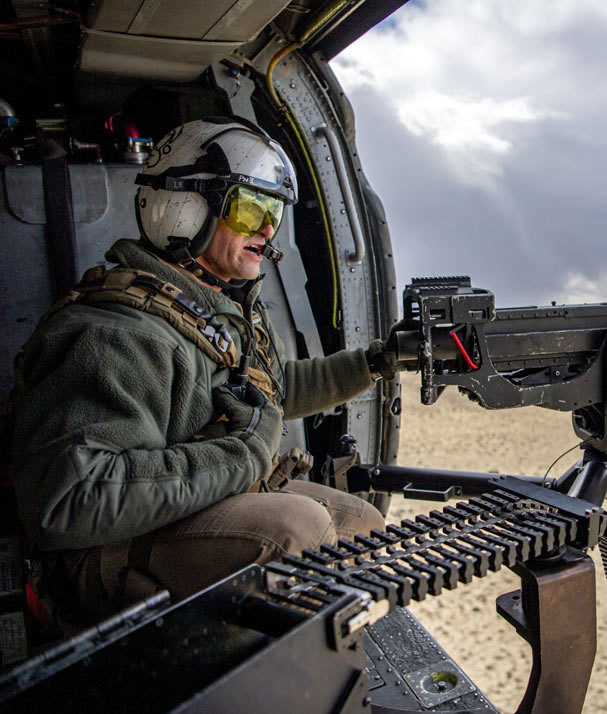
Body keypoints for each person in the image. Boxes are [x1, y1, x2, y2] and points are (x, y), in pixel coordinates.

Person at [11, 117, 394, 628]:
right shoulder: (114, 333)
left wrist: (379, 362)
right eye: (251, 208)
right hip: (97, 554)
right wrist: (246, 451)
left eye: (274, 211)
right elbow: (69, 501)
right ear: (185, 209)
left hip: (175, 513)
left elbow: (269, 394)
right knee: (295, 530)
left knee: (361, 525)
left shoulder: (210, 310)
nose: (267, 229)